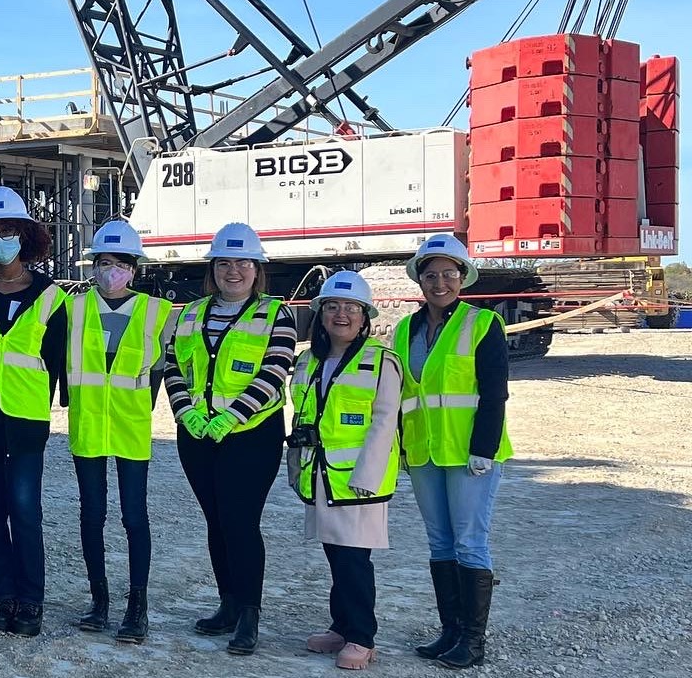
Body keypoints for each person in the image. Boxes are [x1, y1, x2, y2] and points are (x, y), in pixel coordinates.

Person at [164, 221, 297, 655]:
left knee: (241, 523)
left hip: (251, 437)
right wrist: (185, 413)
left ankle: (249, 615)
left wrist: (232, 417)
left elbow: (274, 372)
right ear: (213, 268)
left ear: (258, 269)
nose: (233, 271)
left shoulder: (276, 314)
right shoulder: (189, 315)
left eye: (243, 262)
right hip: (198, 437)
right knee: (216, 522)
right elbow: (173, 368)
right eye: (225, 262)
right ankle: (227, 603)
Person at [392, 234, 511, 670]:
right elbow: (402, 391)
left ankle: (472, 641)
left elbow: (495, 392)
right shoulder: (405, 328)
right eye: (430, 275)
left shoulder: (482, 324)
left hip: (469, 455)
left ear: (462, 277)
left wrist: (485, 448)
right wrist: (401, 447)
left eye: (448, 274)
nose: (439, 282)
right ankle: (450, 631)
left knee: (470, 542)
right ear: (419, 280)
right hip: (424, 451)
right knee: (440, 541)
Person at [0, 185, 68, 639]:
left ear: (25, 234)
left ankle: (31, 600)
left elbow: (60, 360)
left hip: (25, 418)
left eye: (8, 231)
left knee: (24, 508)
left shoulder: (52, 297)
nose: (0, 241)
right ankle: (3, 597)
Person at [288, 270, 402, 671]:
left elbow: (385, 423)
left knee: (354, 561)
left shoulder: (381, 362)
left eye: (350, 308)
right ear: (320, 314)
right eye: (332, 306)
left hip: (358, 482)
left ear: (365, 316)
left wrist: (367, 478)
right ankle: (341, 626)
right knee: (336, 557)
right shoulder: (310, 361)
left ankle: (361, 637)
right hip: (321, 475)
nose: (341, 315)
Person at [67, 220, 173, 645]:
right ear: (93, 267)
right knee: (92, 516)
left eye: (120, 263)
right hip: (88, 425)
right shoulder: (73, 310)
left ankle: (137, 606)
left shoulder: (157, 312)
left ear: (134, 268)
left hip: (131, 427)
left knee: (134, 518)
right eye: (104, 263)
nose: (111, 271)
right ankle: (100, 600)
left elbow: (165, 369)